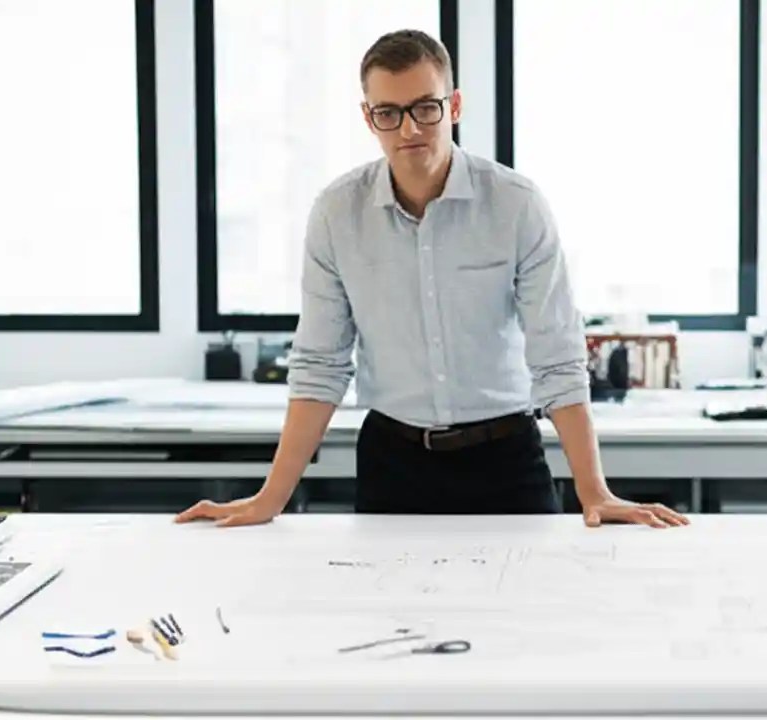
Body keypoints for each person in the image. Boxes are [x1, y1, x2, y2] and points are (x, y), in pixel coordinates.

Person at [176, 29, 687, 530]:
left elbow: (557, 357)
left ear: (454, 106)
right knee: (390, 613)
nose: (408, 130)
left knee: (526, 610)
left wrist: (594, 492)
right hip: (393, 461)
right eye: (388, 113)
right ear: (368, 117)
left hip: (504, 458)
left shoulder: (516, 205)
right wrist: (272, 499)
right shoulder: (337, 213)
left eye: (426, 107)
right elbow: (320, 365)